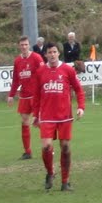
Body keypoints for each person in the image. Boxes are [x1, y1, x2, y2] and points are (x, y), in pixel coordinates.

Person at [35, 42, 86, 191]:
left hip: (64, 116)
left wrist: (81, 107)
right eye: (49, 52)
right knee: (46, 147)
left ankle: (65, 182)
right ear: (45, 55)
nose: (52, 55)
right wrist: (35, 114)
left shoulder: (67, 70)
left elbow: (78, 90)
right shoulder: (40, 72)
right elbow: (37, 95)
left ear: (59, 53)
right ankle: (50, 172)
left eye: (54, 52)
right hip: (46, 116)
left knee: (65, 147)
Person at [5, 35, 42, 158]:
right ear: (19, 46)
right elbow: (15, 79)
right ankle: (27, 152)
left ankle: (48, 148)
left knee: (41, 122)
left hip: (37, 95)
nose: (24, 47)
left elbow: (43, 74)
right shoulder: (17, 61)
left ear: (29, 45)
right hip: (24, 96)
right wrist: (11, 95)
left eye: (26, 44)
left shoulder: (36, 58)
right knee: (24, 121)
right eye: (22, 45)